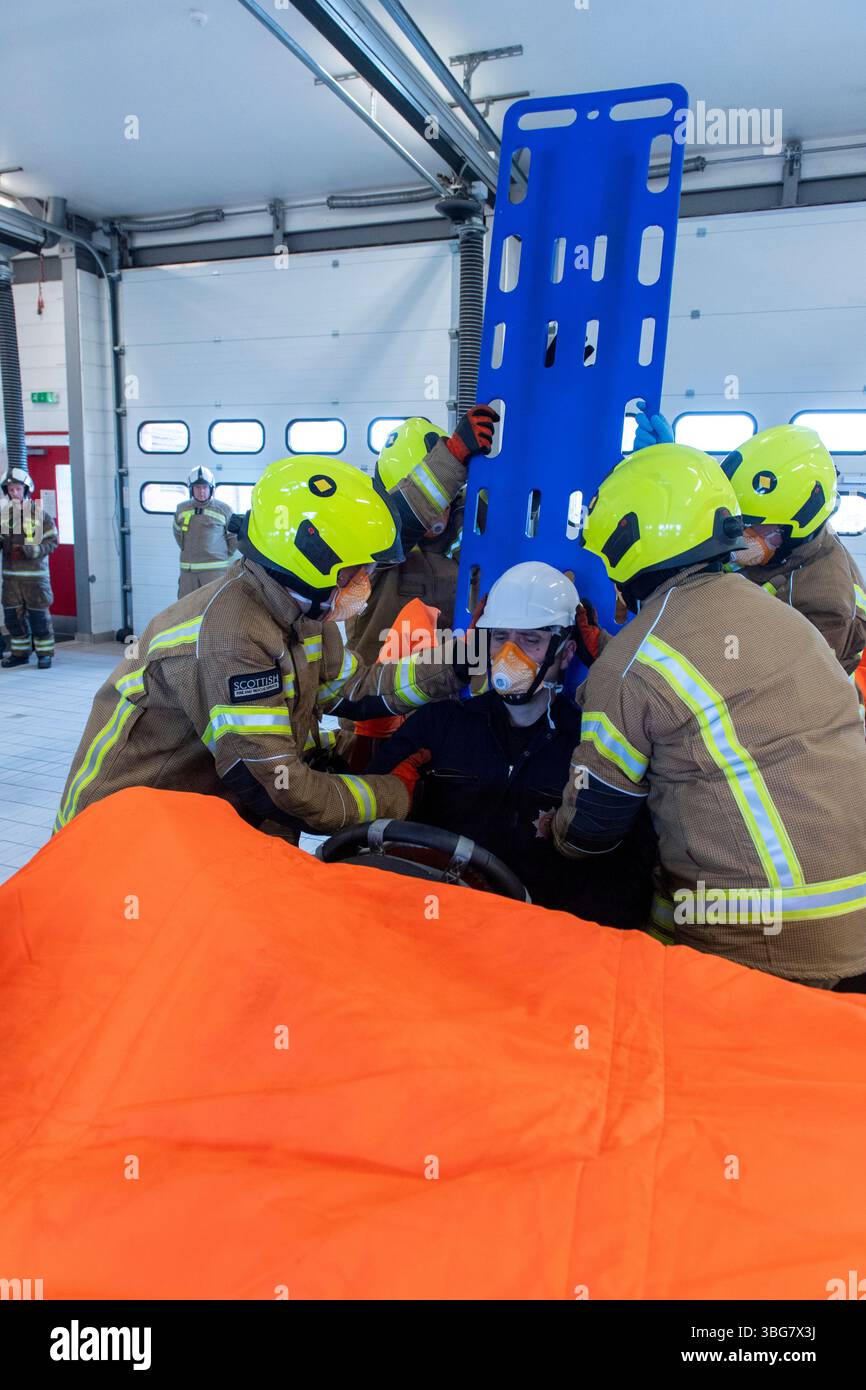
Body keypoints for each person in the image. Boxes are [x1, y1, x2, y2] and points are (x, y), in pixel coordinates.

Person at [56, 405, 498, 837]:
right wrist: (392, 795)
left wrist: (458, 663)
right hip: (115, 838)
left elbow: (355, 688)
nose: (366, 582)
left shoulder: (304, 609)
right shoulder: (233, 636)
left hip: (195, 818)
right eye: (354, 574)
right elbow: (279, 789)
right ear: (312, 567)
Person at [551, 441, 866, 989]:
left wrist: (553, 833)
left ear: (628, 551)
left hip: (757, 948)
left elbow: (592, 828)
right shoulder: (788, 618)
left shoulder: (632, 663)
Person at [369, 561, 655, 926]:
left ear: (566, 653)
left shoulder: (593, 747)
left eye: (530, 640)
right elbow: (372, 821)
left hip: (537, 948)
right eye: (500, 637)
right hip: (437, 927)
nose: (508, 655)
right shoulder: (439, 727)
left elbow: (624, 882)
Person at [633, 407, 866, 676]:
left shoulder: (825, 602)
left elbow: (769, 684)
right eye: (741, 520)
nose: (741, 534)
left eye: (754, 526)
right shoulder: (783, 544)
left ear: (796, 528)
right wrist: (668, 467)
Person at [339, 417, 464, 770]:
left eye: (445, 501)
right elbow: (400, 531)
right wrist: (450, 461)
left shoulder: (470, 544)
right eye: (430, 499)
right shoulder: (371, 552)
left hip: (448, 722)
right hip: (376, 722)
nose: (435, 515)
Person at [0, 466, 58, 669]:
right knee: (13, 619)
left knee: (39, 618)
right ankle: (20, 654)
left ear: (26, 489)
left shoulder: (40, 516)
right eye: (10, 490)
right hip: (11, 580)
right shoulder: (5, 516)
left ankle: (44, 654)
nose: (14, 493)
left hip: (35, 579)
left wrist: (29, 551)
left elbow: (52, 543)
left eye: (17, 489)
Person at [173, 465, 238, 599]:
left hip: (215, 573)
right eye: (197, 488)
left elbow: (233, 538)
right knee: (186, 611)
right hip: (188, 574)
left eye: (204, 487)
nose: (201, 491)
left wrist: (219, 555)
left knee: (215, 608)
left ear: (211, 488)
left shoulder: (224, 509)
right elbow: (179, 536)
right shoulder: (181, 509)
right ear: (191, 489)